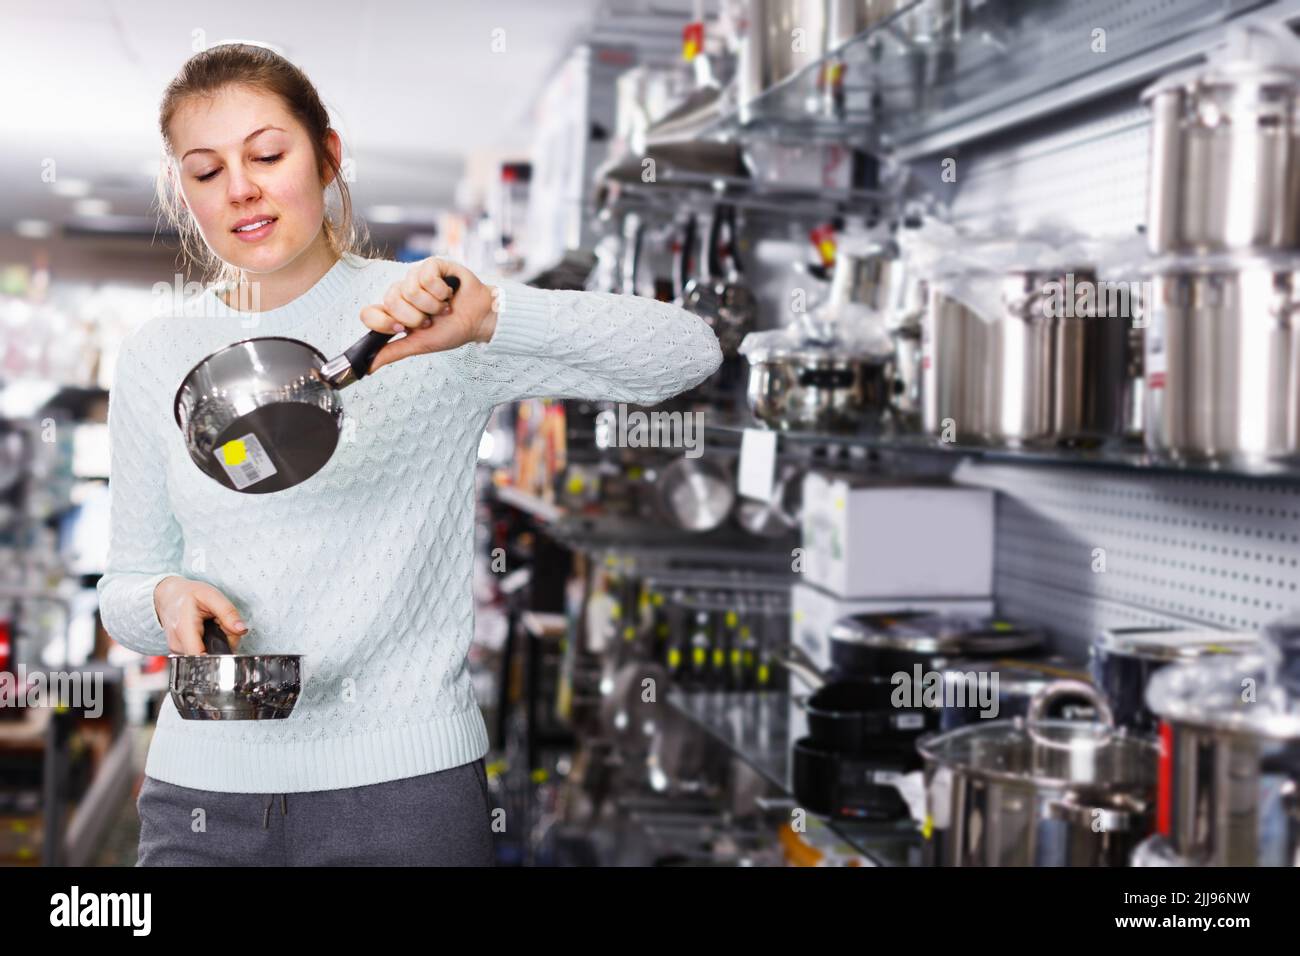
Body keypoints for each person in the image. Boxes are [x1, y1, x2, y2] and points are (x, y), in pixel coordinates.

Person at [97, 42, 722, 866]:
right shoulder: (157, 355)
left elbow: (688, 353)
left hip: (403, 794)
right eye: (206, 171)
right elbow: (124, 587)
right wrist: (167, 596)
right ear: (185, 192)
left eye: (268, 154)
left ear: (328, 155)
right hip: (204, 791)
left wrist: (496, 314)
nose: (240, 189)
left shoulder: (423, 312)